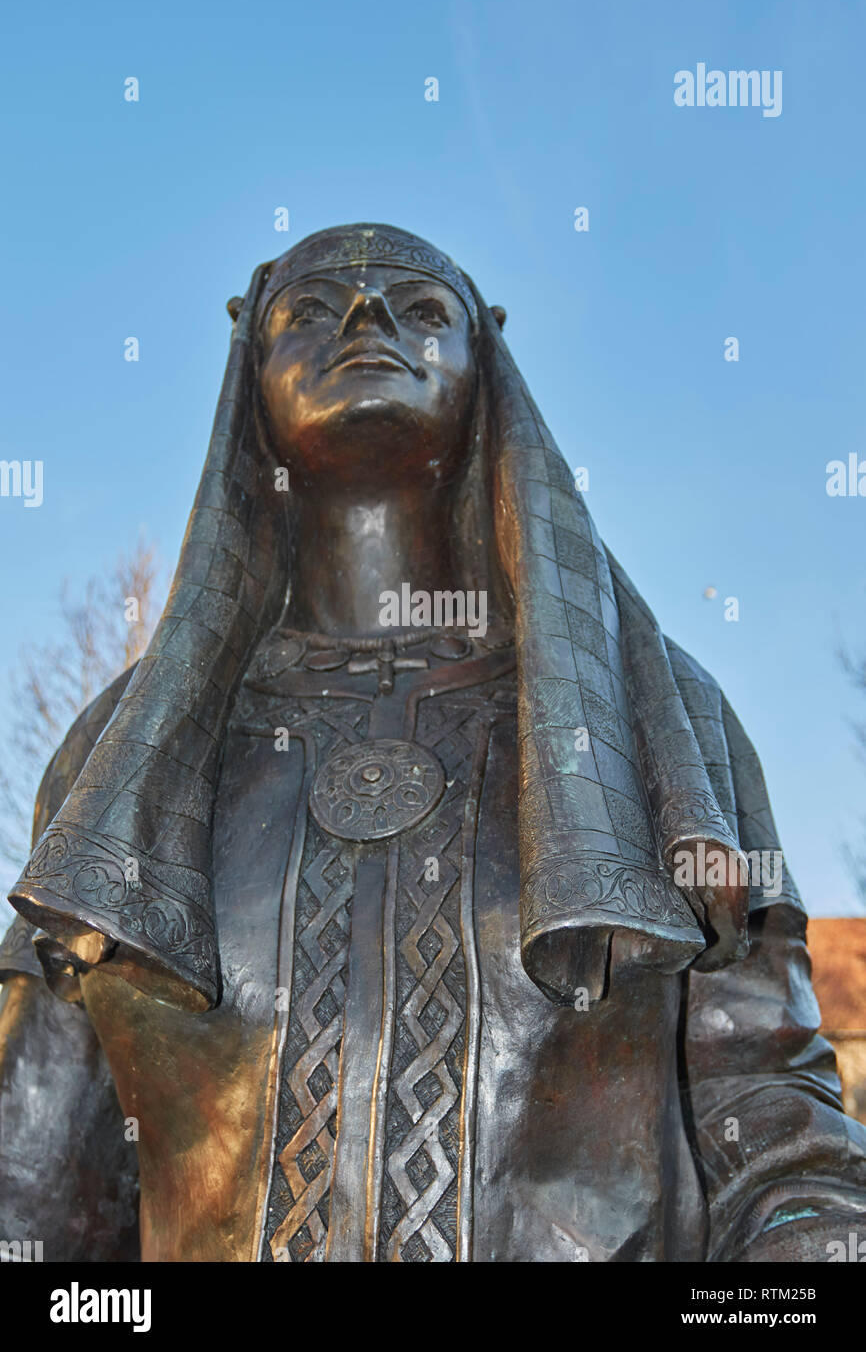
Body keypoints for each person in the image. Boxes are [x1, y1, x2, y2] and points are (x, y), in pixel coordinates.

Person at [2, 224, 864, 1262]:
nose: (364, 322)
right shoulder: (130, 750)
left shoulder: (650, 716)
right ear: (248, 365)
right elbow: (31, 1178)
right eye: (311, 310)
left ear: (484, 358)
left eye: (418, 309)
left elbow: (778, 1135)